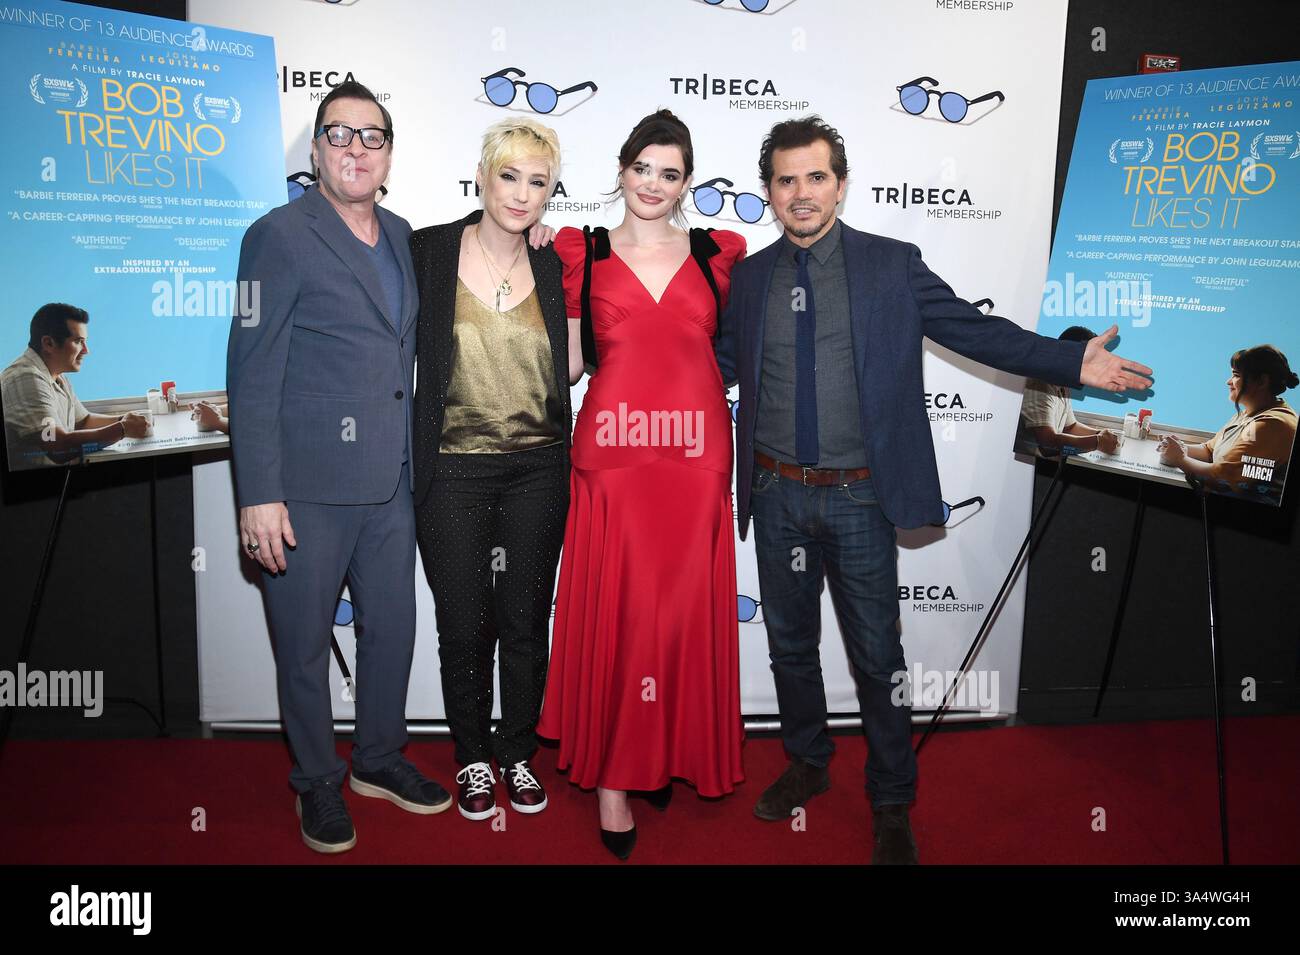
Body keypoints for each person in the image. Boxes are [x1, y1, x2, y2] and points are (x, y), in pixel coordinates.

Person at [715, 116, 1153, 864]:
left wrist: (1070, 362)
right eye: (785, 180)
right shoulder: (751, 279)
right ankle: (808, 762)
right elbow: (711, 361)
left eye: (816, 177)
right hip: (776, 492)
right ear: (769, 192)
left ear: (841, 184)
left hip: (859, 497)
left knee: (878, 658)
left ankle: (891, 800)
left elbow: (975, 332)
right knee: (790, 647)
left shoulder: (891, 265)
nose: (801, 193)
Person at [226, 80, 451, 855]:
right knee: (302, 644)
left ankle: (379, 759)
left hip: (391, 480)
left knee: (392, 631)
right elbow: (250, 371)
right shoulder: (275, 236)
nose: (357, 148)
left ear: (389, 155)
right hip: (307, 490)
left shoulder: (401, 232)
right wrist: (259, 495)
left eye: (372, 136)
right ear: (317, 148)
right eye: (340, 134)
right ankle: (317, 780)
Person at [537, 109, 747, 859]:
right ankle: (615, 782)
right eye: (642, 168)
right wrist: (515, 261)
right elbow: (565, 366)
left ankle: (661, 751)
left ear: (687, 181)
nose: (654, 184)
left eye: (671, 172)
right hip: (614, 456)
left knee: (680, 611)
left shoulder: (721, 252)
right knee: (623, 613)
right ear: (621, 170)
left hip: (695, 457)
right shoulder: (577, 252)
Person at [409, 118, 570, 821]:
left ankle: (517, 752)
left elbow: (574, 364)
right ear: (482, 176)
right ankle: (473, 756)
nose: (522, 193)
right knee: (465, 624)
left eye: (538, 182)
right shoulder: (428, 250)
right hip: (450, 472)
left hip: (538, 468)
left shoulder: (558, 262)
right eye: (510, 175)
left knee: (526, 620)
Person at [1, 303, 149, 467]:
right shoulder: (25, 378)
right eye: (78, 341)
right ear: (48, 343)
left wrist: (127, 420)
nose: (86, 350)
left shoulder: (56, 375)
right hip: (37, 490)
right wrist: (122, 429)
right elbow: (57, 445)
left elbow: (83, 421)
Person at [1158, 344, 1297, 488]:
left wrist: (1180, 460)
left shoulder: (1272, 424)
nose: (1228, 382)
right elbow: (1210, 450)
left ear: (1262, 381)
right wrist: (1180, 448)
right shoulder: (1247, 414)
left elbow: (1223, 478)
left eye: (1236, 375)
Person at [1018, 326, 1121, 457]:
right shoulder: (1040, 383)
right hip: (1029, 463)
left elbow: (1070, 427)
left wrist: (1100, 434)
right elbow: (1047, 442)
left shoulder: (1063, 382)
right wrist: (1097, 442)